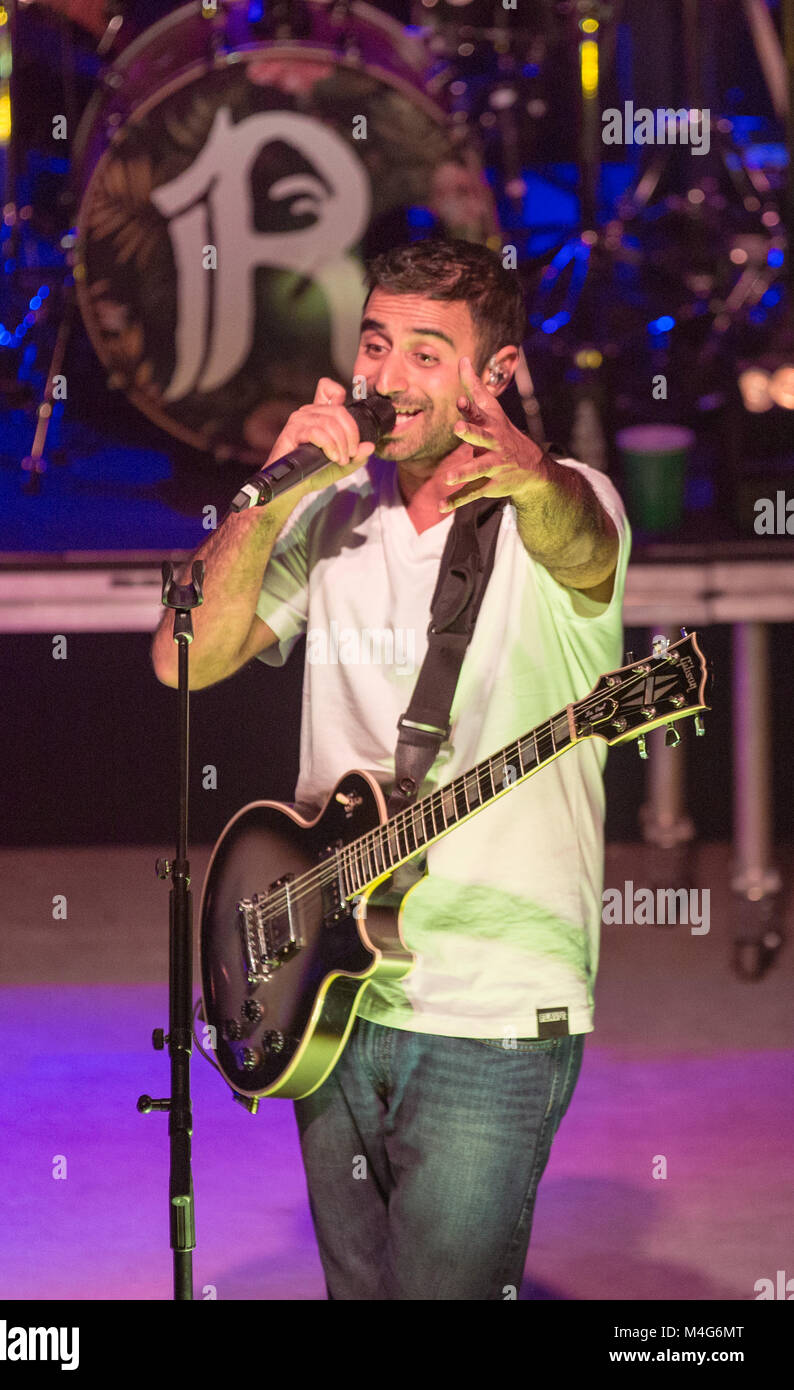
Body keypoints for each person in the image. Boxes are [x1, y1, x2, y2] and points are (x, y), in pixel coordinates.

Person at [152, 238, 631, 1300]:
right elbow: (183, 653)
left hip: (491, 1010)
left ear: (492, 375)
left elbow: (583, 542)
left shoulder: (561, 501)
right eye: (377, 346)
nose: (391, 377)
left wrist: (530, 474)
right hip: (330, 989)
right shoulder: (332, 515)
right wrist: (271, 495)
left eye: (427, 352)